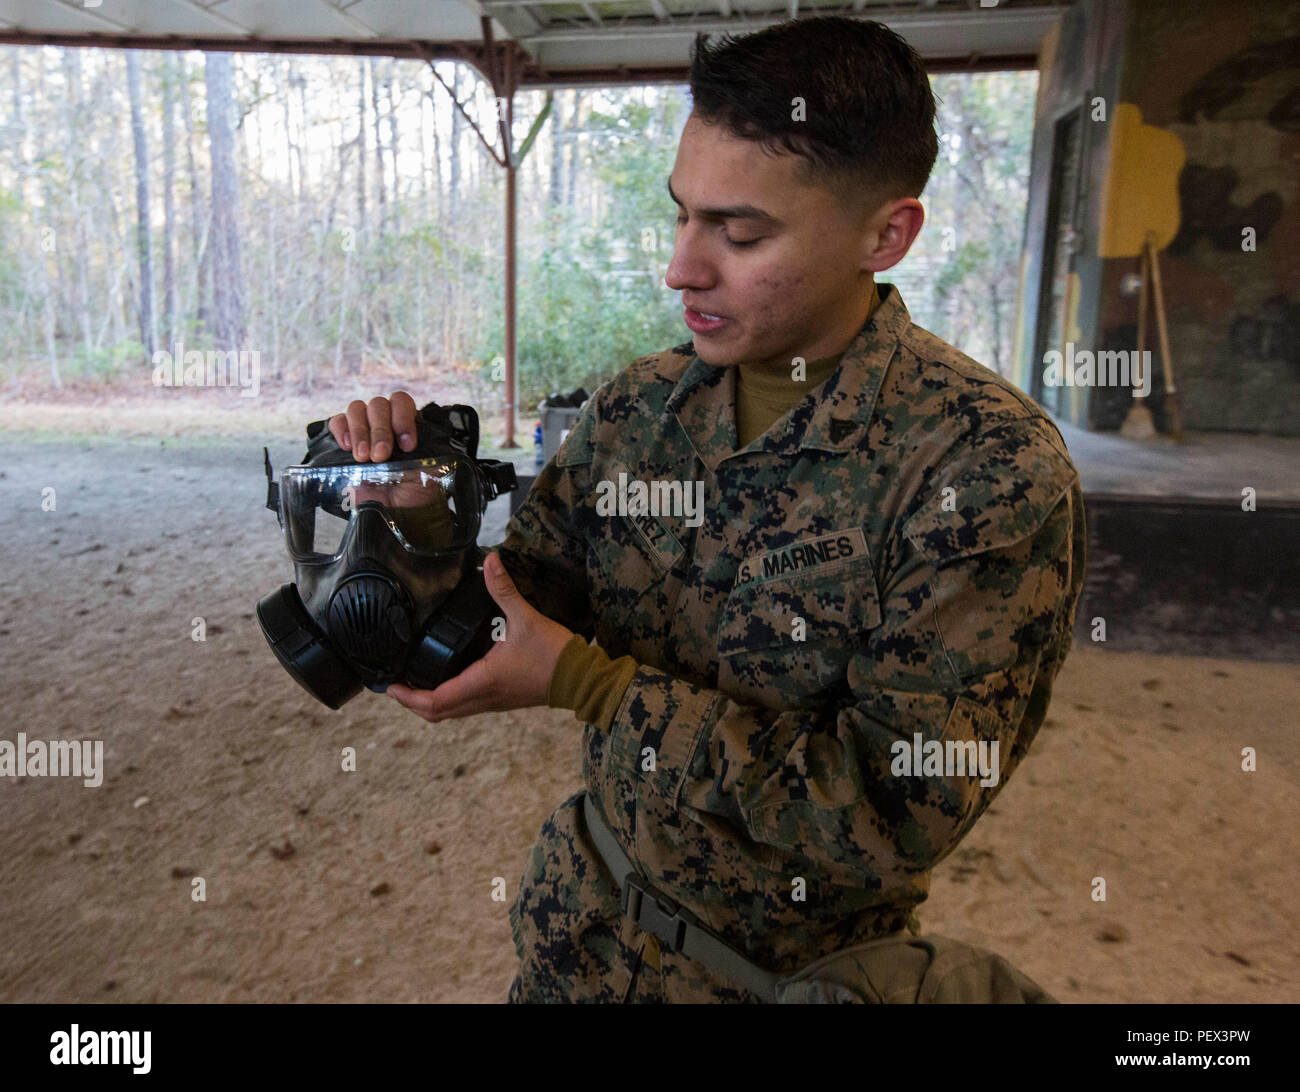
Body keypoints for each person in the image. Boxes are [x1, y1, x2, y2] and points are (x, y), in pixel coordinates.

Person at [328, 16, 1086, 1003]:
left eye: (739, 233)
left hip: (774, 980)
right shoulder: (641, 404)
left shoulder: (985, 468)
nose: (683, 268)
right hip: (576, 943)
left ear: (885, 233)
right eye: (681, 216)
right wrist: (413, 517)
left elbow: (894, 811)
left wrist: (600, 690)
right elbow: (516, 609)